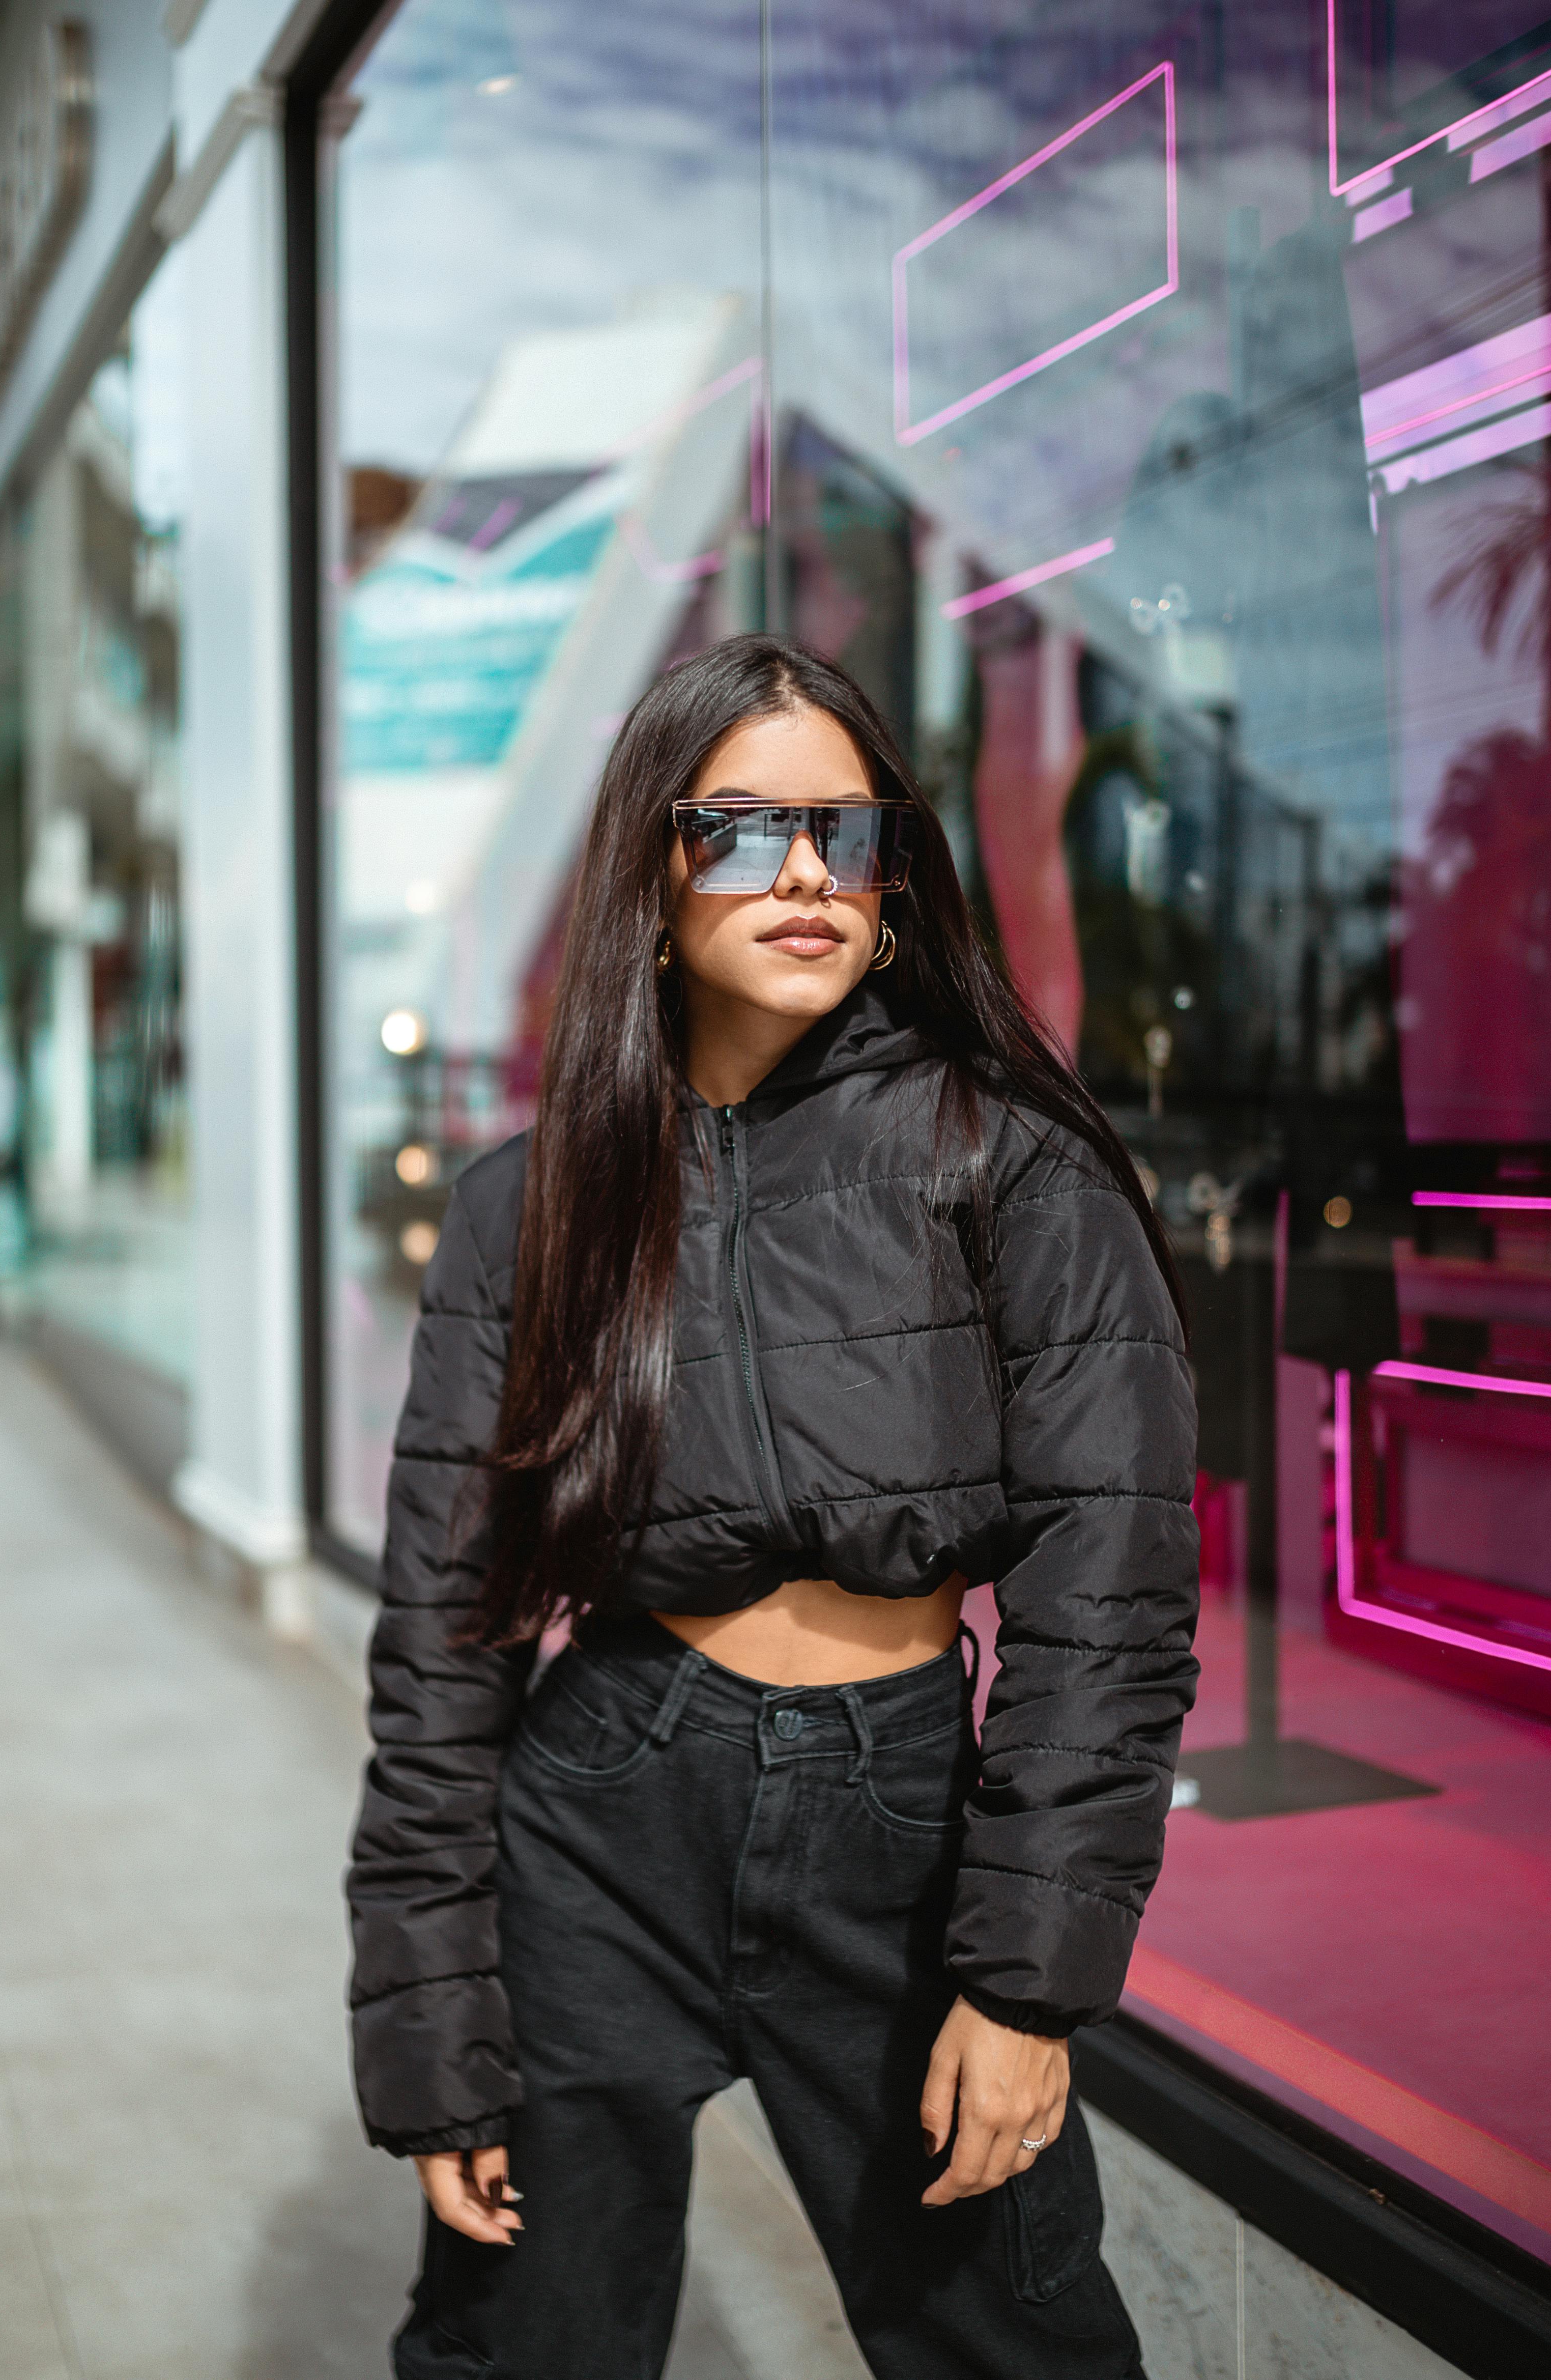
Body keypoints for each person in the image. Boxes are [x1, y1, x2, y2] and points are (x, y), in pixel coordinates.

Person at [347, 634, 1199, 2380]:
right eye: (738, 829)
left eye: (847, 831)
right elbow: (442, 1643)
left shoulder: (1007, 1156)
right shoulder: (533, 1206)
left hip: (894, 1827)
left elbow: (1105, 1589)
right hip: (601, 1810)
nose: (803, 871)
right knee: (521, 2341)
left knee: (1016, 2342)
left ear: (894, 879)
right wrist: (434, 2033)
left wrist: (1027, 1982)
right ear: (649, 876)